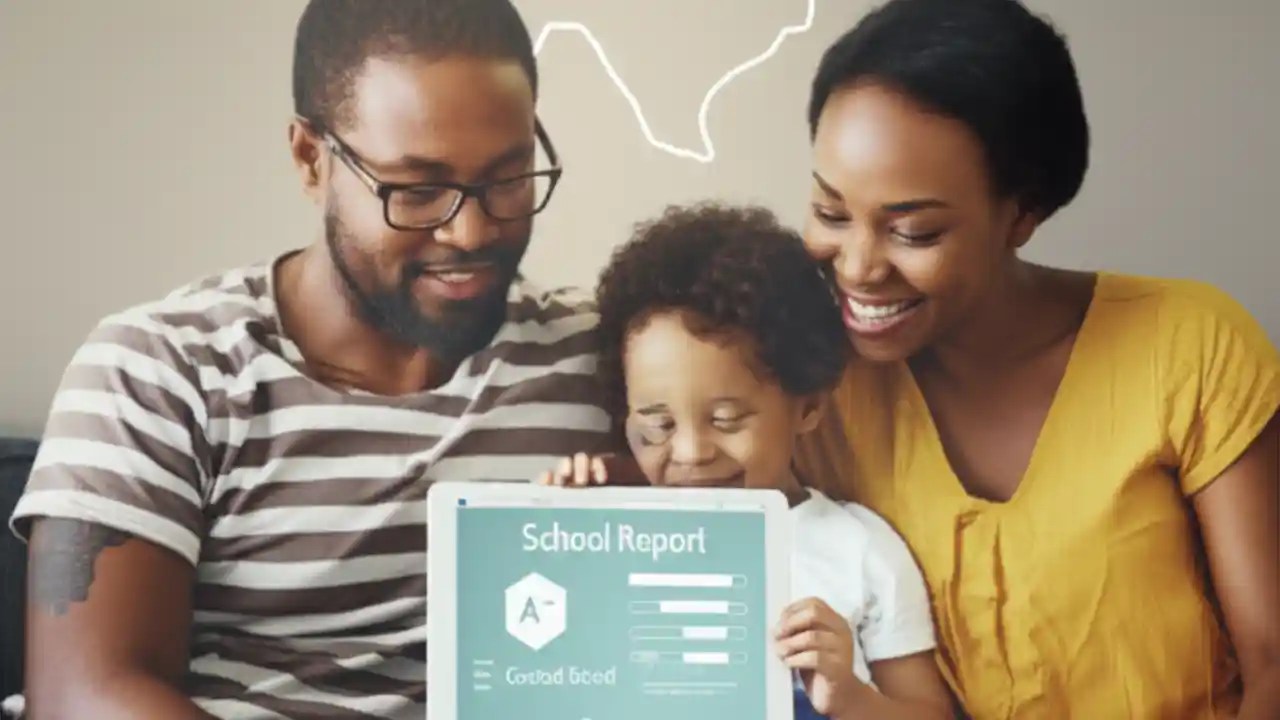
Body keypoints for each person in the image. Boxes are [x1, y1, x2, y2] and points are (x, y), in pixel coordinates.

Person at [8, 1, 621, 718]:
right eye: (417, 191)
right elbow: (83, 695)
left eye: (508, 179)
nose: (469, 231)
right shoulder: (158, 368)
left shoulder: (607, 360)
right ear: (309, 158)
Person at [791, 0, 1280, 717]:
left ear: (1024, 212)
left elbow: (1273, 663)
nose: (859, 268)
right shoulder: (808, 386)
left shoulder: (1190, 346)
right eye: (832, 213)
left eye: (915, 231)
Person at [541, 203, 956, 720]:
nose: (692, 453)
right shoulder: (615, 536)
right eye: (658, 426)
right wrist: (552, 534)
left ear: (807, 407)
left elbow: (930, 712)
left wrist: (849, 697)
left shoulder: (858, 548)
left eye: (727, 419)